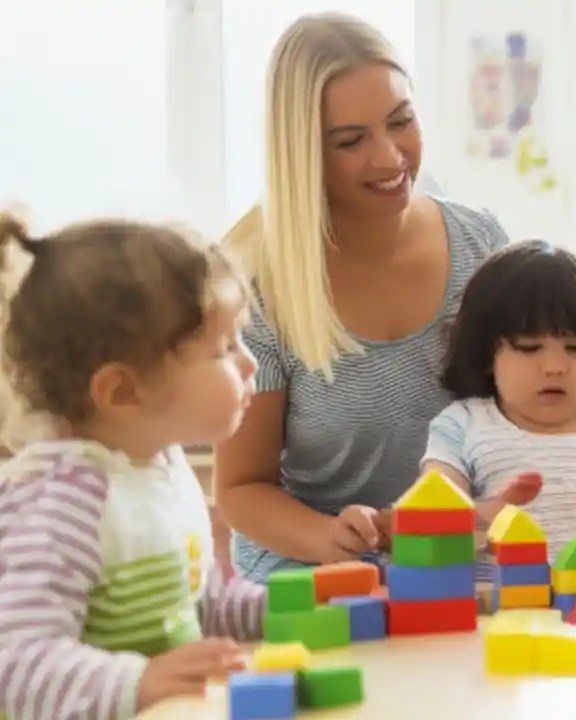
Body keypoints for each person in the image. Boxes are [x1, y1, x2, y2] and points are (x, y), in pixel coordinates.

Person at [214, 13, 510, 582]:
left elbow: (524, 416)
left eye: (401, 122)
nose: (390, 157)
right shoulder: (259, 283)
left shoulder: (482, 245)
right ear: (302, 153)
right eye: (351, 141)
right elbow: (241, 487)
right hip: (313, 561)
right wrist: (328, 537)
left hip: (457, 552)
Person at [0, 213, 263, 718]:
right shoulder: (64, 502)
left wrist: (303, 609)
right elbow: (16, 662)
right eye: (224, 349)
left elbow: (200, 606)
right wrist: (139, 679)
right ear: (122, 390)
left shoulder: (159, 469)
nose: (249, 364)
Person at [421, 239, 576, 579]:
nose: (555, 366)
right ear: (486, 352)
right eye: (530, 348)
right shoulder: (463, 425)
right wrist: (485, 514)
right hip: (495, 611)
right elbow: (431, 521)